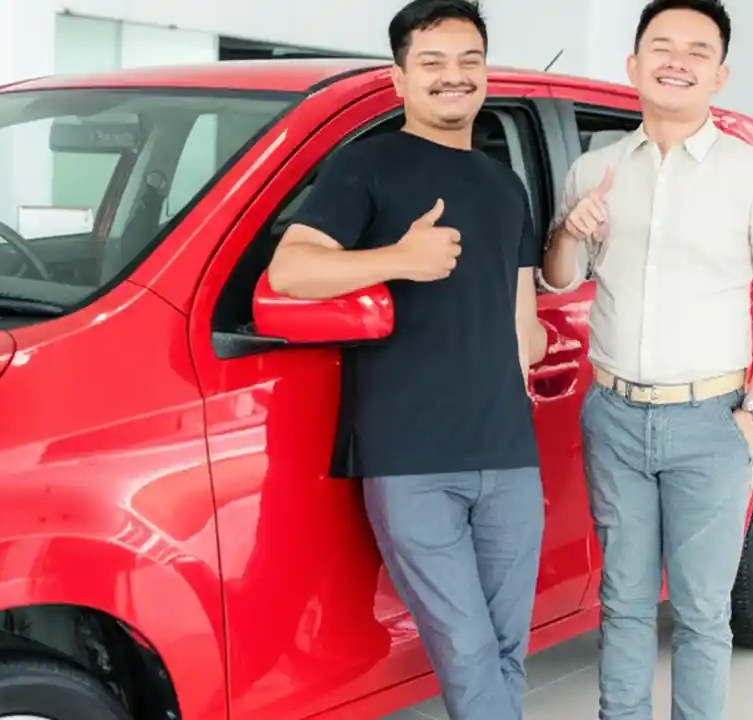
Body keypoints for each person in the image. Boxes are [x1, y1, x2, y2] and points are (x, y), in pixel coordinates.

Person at [266, 1, 548, 717]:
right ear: (399, 78)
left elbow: (524, 329)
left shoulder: (504, 185)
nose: (453, 78)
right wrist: (399, 258)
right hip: (412, 460)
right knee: (467, 647)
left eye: (468, 62)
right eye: (432, 63)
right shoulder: (366, 165)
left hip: (509, 457)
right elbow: (290, 271)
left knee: (507, 645)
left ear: (485, 73)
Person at [539, 1, 753, 719]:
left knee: (700, 613)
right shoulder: (595, 171)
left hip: (711, 422)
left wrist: (752, 418)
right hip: (615, 416)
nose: (677, 60)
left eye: (697, 50)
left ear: (719, 74)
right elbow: (559, 276)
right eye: (661, 45)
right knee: (624, 605)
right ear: (633, 66)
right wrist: (570, 230)